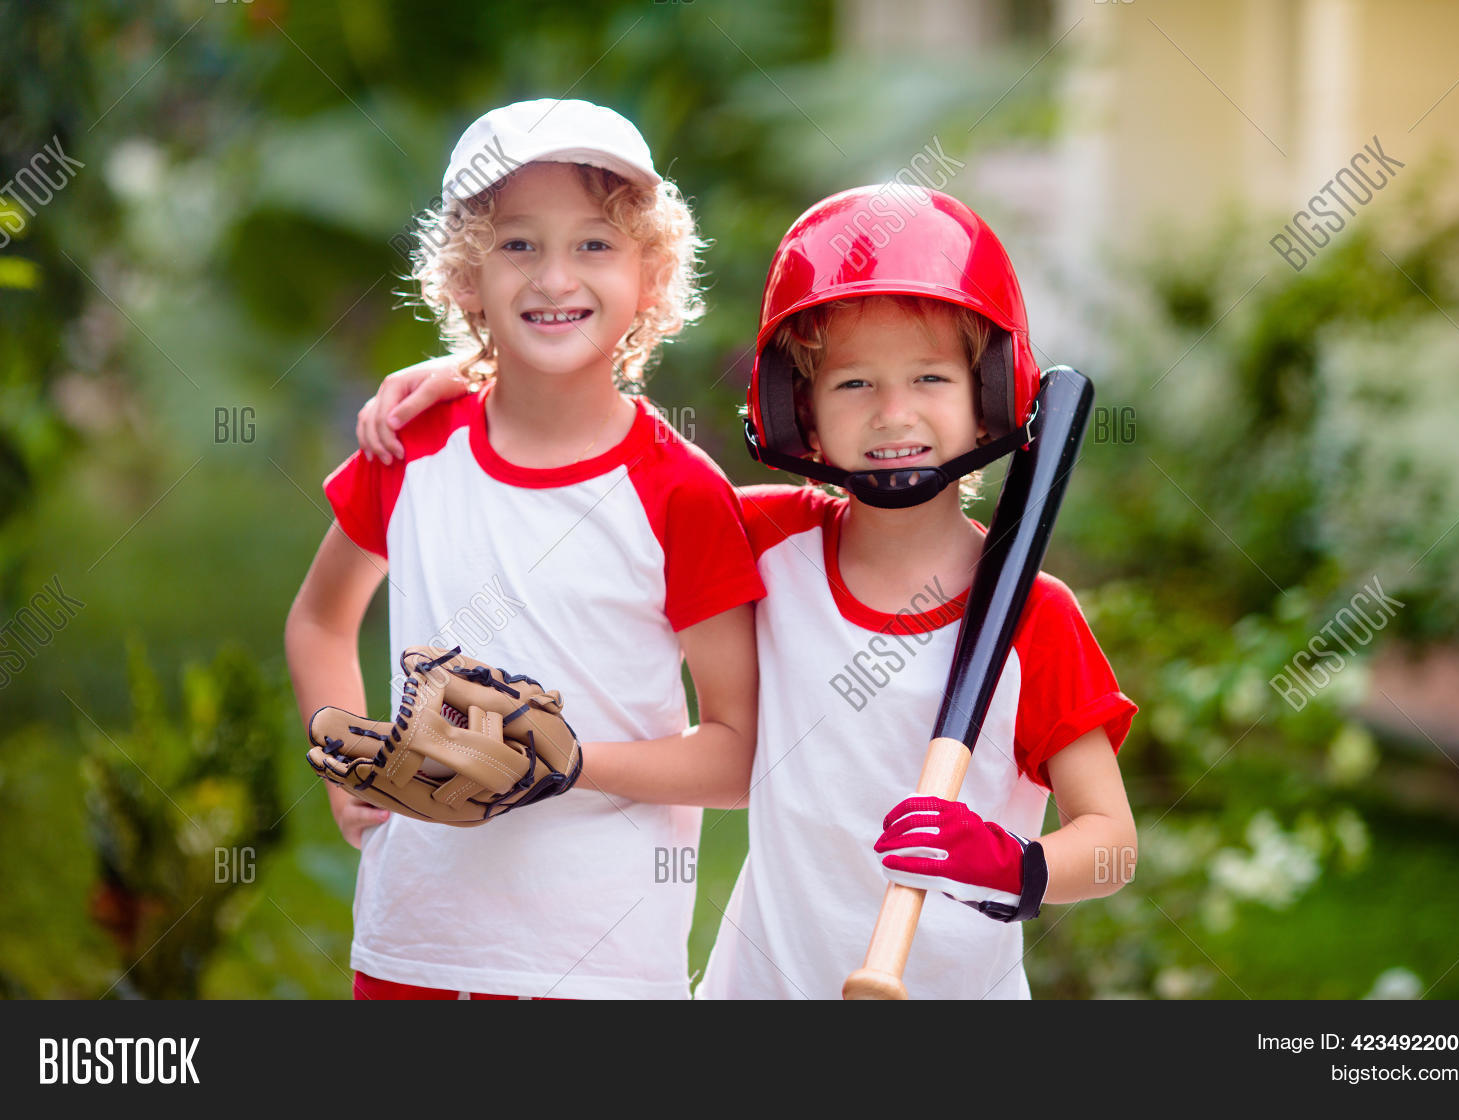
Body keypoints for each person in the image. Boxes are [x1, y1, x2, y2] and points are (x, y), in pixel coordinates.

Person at [357, 185, 1138, 1000]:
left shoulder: (1032, 617)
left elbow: (1113, 842)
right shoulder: (766, 541)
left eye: (931, 378)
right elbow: (631, 468)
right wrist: (481, 367)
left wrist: (1018, 865)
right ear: (796, 410)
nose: (893, 413)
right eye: (854, 385)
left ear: (987, 399)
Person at [285, 98, 763, 1001]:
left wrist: (565, 763)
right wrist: (345, 771)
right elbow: (318, 619)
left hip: (602, 967)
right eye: (516, 245)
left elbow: (737, 754)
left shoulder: (682, 492)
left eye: (594, 244)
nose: (554, 278)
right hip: (412, 947)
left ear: (651, 277)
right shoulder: (413, 447)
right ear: (464, 278)